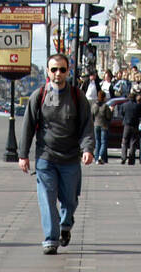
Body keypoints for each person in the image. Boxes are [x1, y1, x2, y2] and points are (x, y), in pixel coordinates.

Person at [17, 54, 95, 254]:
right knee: (47, 198)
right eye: (53, 70)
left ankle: (65, 224)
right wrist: (23, 154)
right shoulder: (39, 95)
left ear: (68, 71)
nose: (58, 73)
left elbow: (87, 126)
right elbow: (28, 126)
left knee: (70, 200)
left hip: (70, 158)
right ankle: (51, 239)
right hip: (46, 157)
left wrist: (87, 149)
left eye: (62, 69)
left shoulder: (77, 97)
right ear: (48, 71)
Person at [119, 92, 141, 165]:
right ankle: (131, 159)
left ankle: (123, 157)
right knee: (133, 143)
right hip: (135, 125)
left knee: (124, 142)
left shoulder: (124, 105)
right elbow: (140, 114)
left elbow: (122, 113)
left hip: (126, 125)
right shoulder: (137, 106)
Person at [92, 92, 112, 164]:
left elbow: (92, 116)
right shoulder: (105, 106)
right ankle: (100, 156)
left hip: (96, 125)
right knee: (103, 142)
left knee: (97, 142)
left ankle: (96, 158)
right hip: (104, 125)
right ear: (104, 97)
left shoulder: (94, 106)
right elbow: (108, 117)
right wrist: (111, 111)